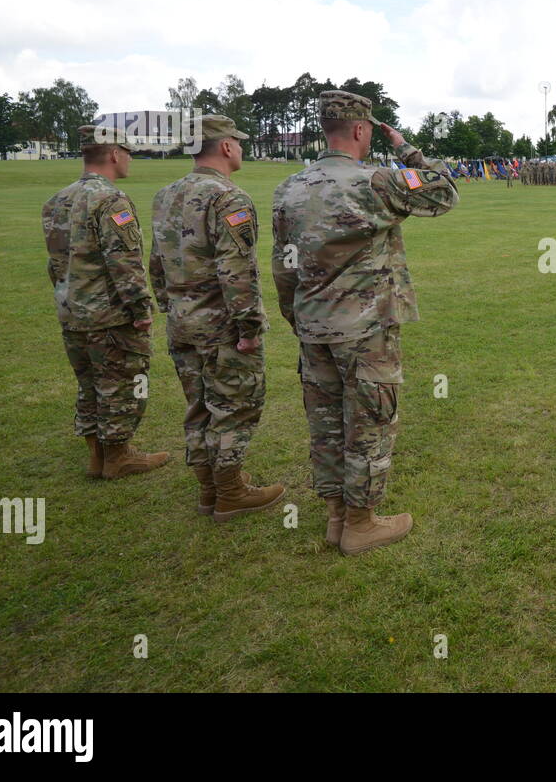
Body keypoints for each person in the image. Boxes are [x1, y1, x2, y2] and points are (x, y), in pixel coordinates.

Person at [272, 91, 458, 556]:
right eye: (371, 129)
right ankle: (360, 523)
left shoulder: (290, 188)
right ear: (360, 129)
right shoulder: (376, 181)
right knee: (370, 420)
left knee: (328, 423)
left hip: (313, 325)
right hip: (367, 327)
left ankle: (337, 518)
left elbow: (282, 264)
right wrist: (406, 148)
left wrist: (294, 315)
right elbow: (444, 191)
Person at [150, 115, 283, 522]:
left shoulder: (165, 195)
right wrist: (249, 328)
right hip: (221, 325)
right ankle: (230, 493)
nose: (241, 149)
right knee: (234, 406)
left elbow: (155, 263)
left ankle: (208, 491)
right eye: (238, 142)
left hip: (182, 322)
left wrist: (168, 307)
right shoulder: (228, 198)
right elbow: (235, 269)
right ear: (225, 146)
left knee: (199, 405)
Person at [42, 125, 169, 479]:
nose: (129, 159)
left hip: (72, 312)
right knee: (121, 383)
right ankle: (118, 456)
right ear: (114, 154)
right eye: (127, 152)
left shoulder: (56, 200)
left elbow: (54, 264)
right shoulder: (111, 201)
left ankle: (97, 456)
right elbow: (124, 262)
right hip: (109, 315)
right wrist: (141, 309)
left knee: (89, 383)